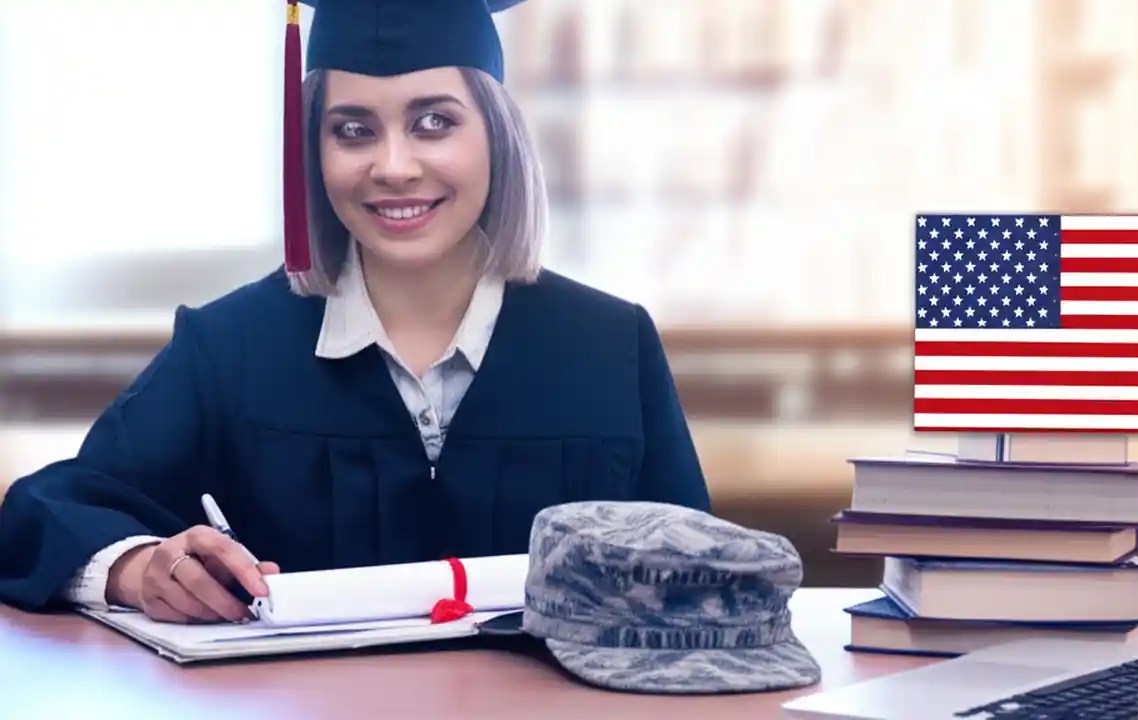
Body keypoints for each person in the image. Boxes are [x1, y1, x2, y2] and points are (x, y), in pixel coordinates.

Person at [0, 0, 711, 623]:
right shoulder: (232, 348)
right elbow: (49, 510)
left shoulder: (608, 350)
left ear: (497, 135)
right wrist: (141, 568)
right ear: (313, 148)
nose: (394, 165)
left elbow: (707, 582)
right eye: (353, 129)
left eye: (434, 122)